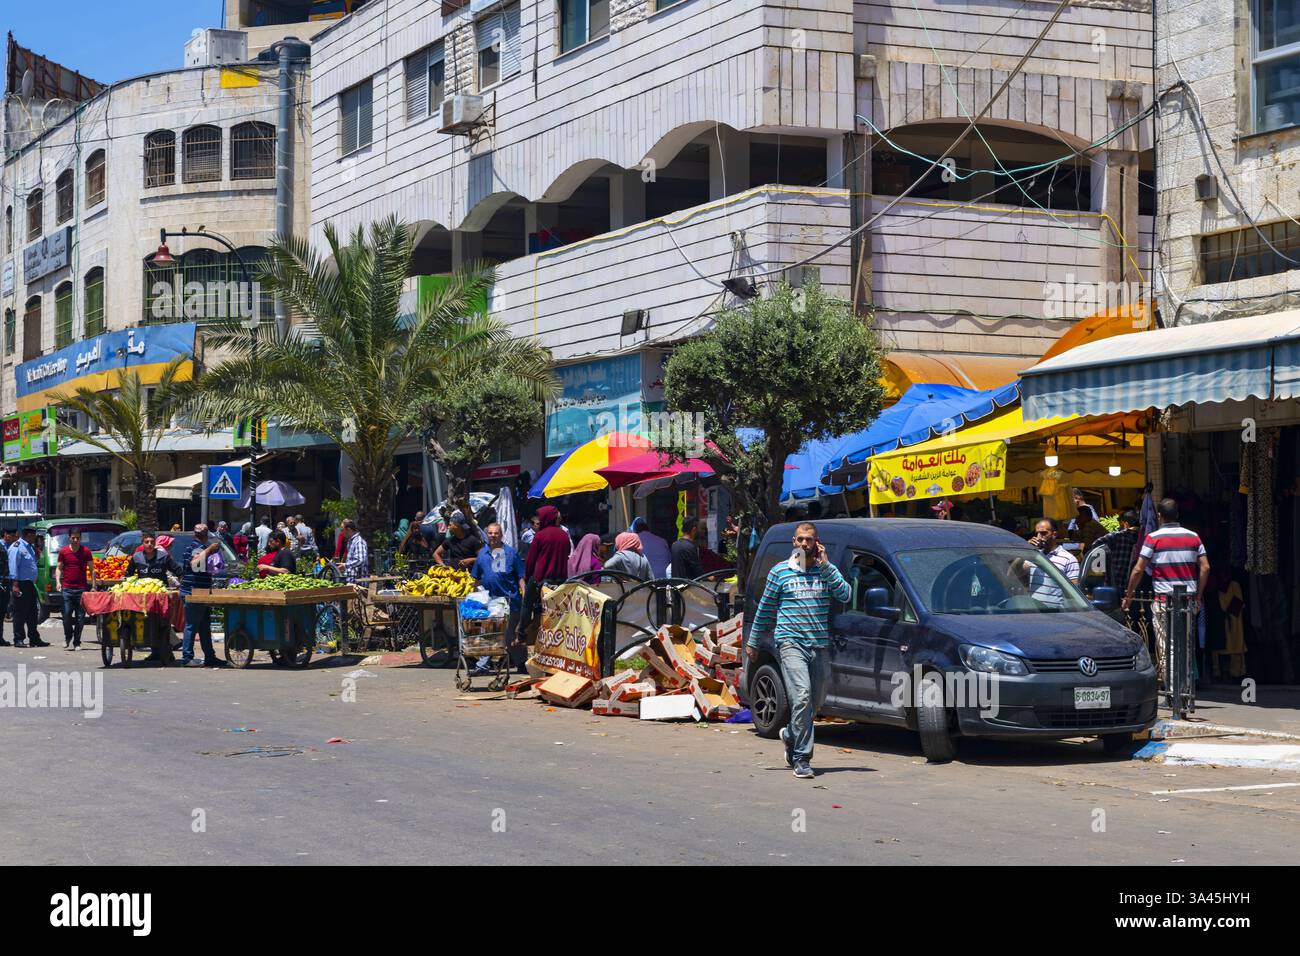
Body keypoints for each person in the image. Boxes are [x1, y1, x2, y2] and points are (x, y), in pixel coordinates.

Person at [744, 522, 850, 779]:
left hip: (819, 644)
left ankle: (791, 734)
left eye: (809, 540)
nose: (804, 544)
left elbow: (845, 595)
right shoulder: (780, 572)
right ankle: (802, 757)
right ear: (793, 542)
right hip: (790, 643)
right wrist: (753, 642)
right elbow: (766, 608)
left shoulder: (826, 571)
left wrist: (825, 566)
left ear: (817, 543)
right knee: (801, 696)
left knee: (815, 701)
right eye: (800, 539)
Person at [1122, 499, 1210, 683]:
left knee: (1166, 644)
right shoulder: (1193, 537)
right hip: (1188, 600)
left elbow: (1138, 569)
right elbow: (1205, 568)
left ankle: (1172, 688)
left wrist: (1129, 596)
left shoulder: (1153, 538)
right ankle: (1184, 687)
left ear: (1159, 516)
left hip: (1163, 600)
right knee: (1185, 644)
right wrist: (1199, 595)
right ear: (1177, 515)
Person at [470, 522, 527, 674]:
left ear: (501, 535)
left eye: (496, 533)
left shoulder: (510, 553)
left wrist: (525, 593)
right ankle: (483, 665)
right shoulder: (482, 554)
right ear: (486, 535)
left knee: (508, 634)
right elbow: (476, 578)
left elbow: (520, 576)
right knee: (491, 632)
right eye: (490, 533)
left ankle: (521, 663)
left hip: (510, 600)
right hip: (491, 601)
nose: (493, 536)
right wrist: (475, 597)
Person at [178, 524, 227, 667]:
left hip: (203, 592)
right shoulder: (195, 548)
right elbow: (194, 563)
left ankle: (210, 656)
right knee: (191, 625)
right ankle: (187, 658)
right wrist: (210, 549)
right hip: (193, 592)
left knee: (205, 626)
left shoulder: (198, 547)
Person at [522, 506, 571, 644]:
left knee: (527, 604)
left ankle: (522, 632)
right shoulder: (564, 535)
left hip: (541, 579)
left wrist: (528, 579)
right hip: (561, 580)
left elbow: (530, 561)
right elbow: (567, 554)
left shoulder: (540, 536)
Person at [132, 533, 183, 663]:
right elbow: (129, 574)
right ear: (142, 544)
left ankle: (167, 653)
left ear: (155, 543)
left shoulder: (163, 557)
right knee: (148, 623)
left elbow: (178, 570)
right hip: (143, 598)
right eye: (146, 542)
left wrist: (182, 584)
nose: (149, 544)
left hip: (161, 597)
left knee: (163, 624)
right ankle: (155, 652)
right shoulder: (136, 558)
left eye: (151, 542)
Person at [1019, 518, 1080, 608]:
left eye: (1043, 533)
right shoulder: (1034, 555)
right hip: (1034, 610)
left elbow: (1073, 594)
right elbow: (1013, 573)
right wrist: (1025, 551)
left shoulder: (1068, 559)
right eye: (1037, 533)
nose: (1039, 537)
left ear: (1054, 534)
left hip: (1055, 613)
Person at [56, 529, 96, 650]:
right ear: (69, 538)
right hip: (67, 588)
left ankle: (77, 642)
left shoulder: (86, 551)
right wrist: (58, 582)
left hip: (81, 589)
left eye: (77, 538)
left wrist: (94, 585)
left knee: (80, 617)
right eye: (73, 538)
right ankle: (68, 636)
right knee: (67, 615)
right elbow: (59, 568)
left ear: (80, 538)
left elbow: (92, 569)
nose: (75, 540)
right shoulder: (63, 551)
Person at [9, 528, 47, 648]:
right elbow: (13, 566)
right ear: (27, 535)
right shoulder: (17, 547)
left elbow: (31, 563)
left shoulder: (30, 547)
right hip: (20, 583)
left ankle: (34, 638)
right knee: (20, 613)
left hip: (30, 584)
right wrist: (15, 585)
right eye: (33, 535)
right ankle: (18, 638)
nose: (35, 538)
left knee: (32, 612)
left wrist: (37, 553)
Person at [1095, 510, 1140, 592]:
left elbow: (1095, 545)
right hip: (1137, 583)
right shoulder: (1144, 538)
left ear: (1125, 524)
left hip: (1117, 581)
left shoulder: (1116, 536)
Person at [336, 519, 369, 584]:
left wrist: (345, 565)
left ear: (348, 529)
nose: (341, 533)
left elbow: (360, 560)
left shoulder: (359, 542)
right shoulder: (350, 542)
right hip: (352, 581)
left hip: (359, 584)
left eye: (342, 530)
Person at [0, 528, 15, 646]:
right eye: (11, 535)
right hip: (1, 583)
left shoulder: (6, 547)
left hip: (5, 582)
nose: (12, 537)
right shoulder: (1, 547)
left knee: (2, 612)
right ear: (5, 534)